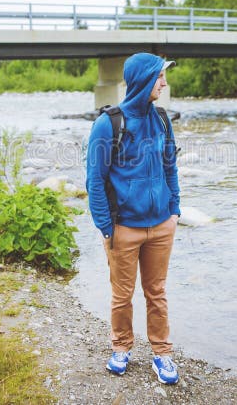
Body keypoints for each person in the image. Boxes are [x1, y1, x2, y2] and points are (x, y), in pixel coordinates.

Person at [86, 52, 181, 385]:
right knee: (122, 295)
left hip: (161, 226)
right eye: (160, 76)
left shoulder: (162, 119)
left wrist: (175, 210)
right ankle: (121, 348)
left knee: (156, 293)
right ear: (143, 80)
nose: (165, 82)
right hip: (123, 228)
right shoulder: (108, 124)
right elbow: (94, 181)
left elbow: (171, 166)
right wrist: (106, 227)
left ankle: (162, 354)